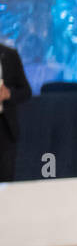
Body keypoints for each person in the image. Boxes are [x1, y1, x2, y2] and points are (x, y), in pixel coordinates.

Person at [0, 41, 32, 181]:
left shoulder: (9, 55)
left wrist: (9, 94)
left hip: (5, 127)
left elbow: (26, 91)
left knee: (6, 179)